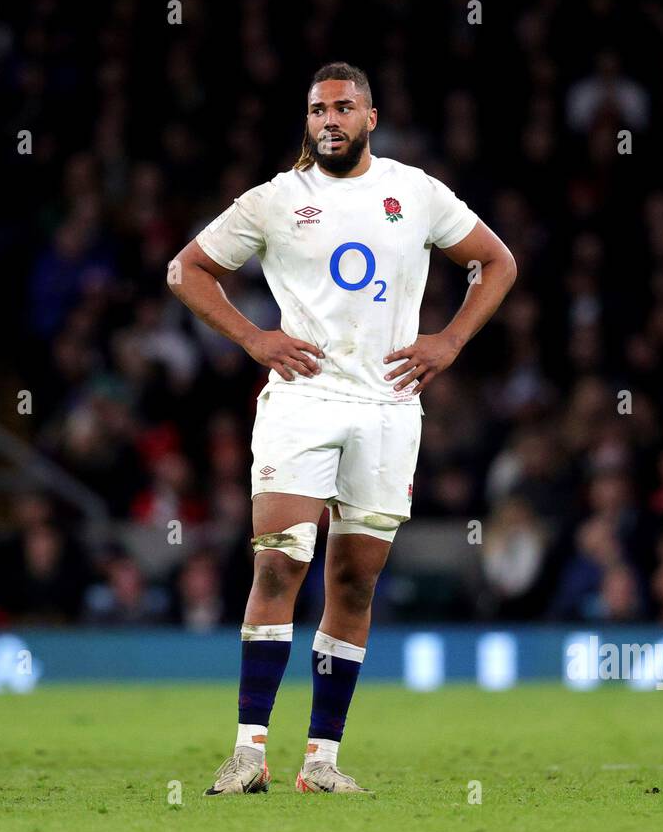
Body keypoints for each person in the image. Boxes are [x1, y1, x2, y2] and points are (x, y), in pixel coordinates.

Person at [168, 62, 516, 794]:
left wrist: (448, 341)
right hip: (303, 401)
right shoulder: (275, 200)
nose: (329, 119)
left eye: (343, 107)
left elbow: (495, 261)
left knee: (354, 583)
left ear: (370, 117)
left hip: (389, 407)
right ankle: (248, 753)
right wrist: (254, 339)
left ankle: (321, 760)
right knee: (279, 562)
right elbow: (187, 270)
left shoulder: (414, 192)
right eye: (319, 110)